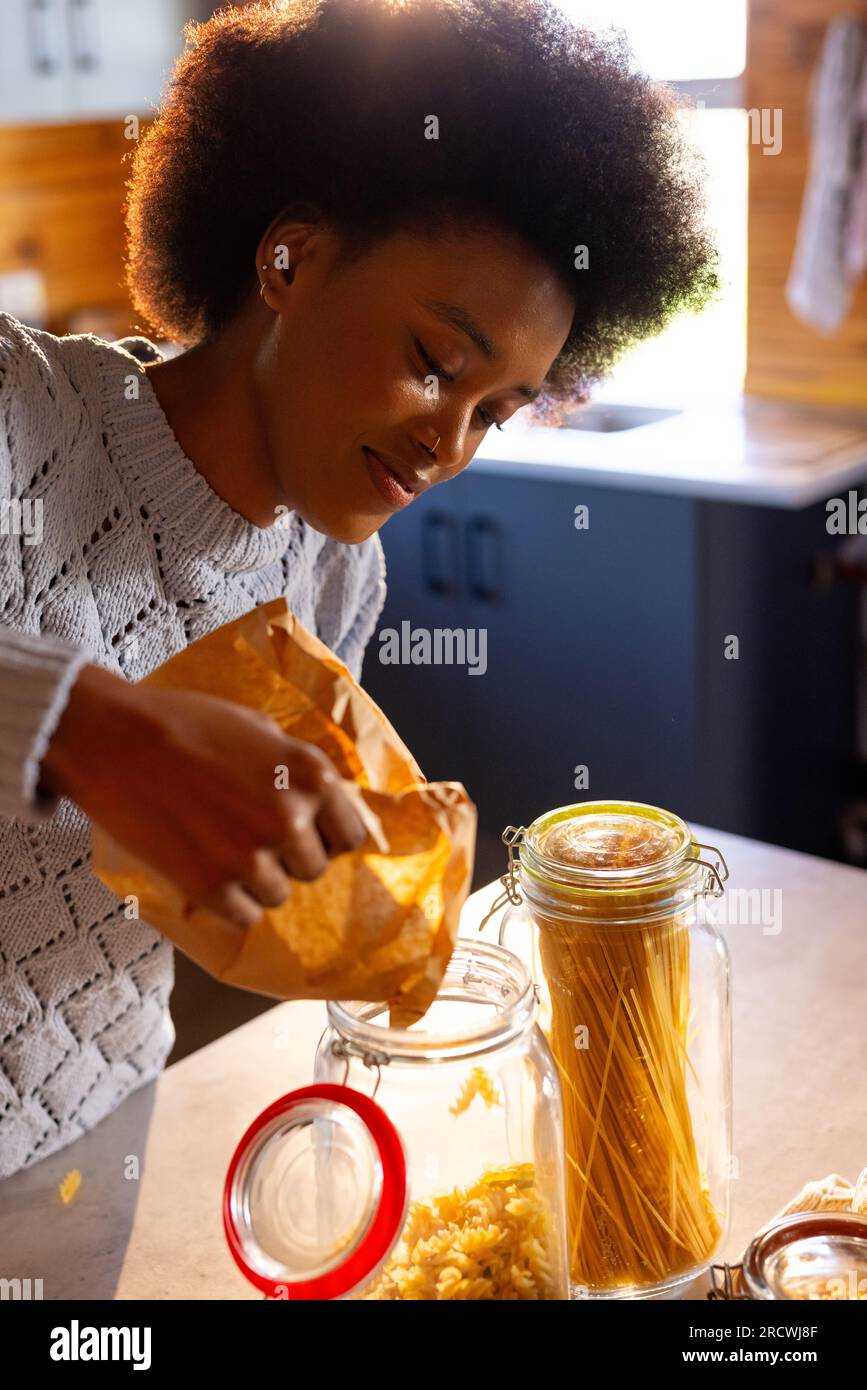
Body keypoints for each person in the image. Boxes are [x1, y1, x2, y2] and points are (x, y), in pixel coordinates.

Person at [0, 0, 718, 1176]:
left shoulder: (336, 570)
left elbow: (204, 908)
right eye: (434, 363)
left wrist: (364, 892)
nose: (450, 444)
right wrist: (85, 724)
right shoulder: (19, 417)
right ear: (290, 260)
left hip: (101, 1149)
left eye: (495, 410)